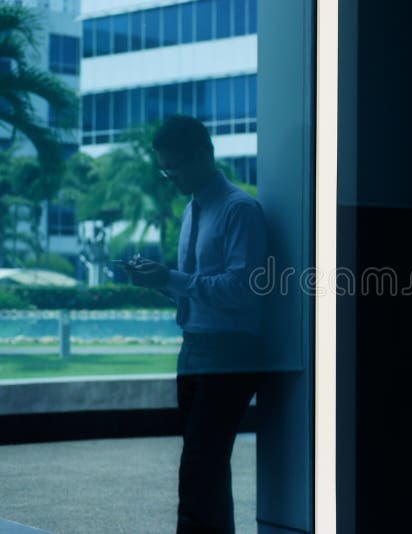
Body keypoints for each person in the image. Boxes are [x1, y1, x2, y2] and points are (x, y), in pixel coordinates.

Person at [124, 115, 267, 533]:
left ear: (205, 154)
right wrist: (158, 281)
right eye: (165, 169)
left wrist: (169, 277)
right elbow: (197, 289)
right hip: (195, 348)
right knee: (203, 463)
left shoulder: (239, 211)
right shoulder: (191, 211)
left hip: (229, 352)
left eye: (176, 167)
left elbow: (241, 290)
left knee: (200, 465)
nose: (171, 177)